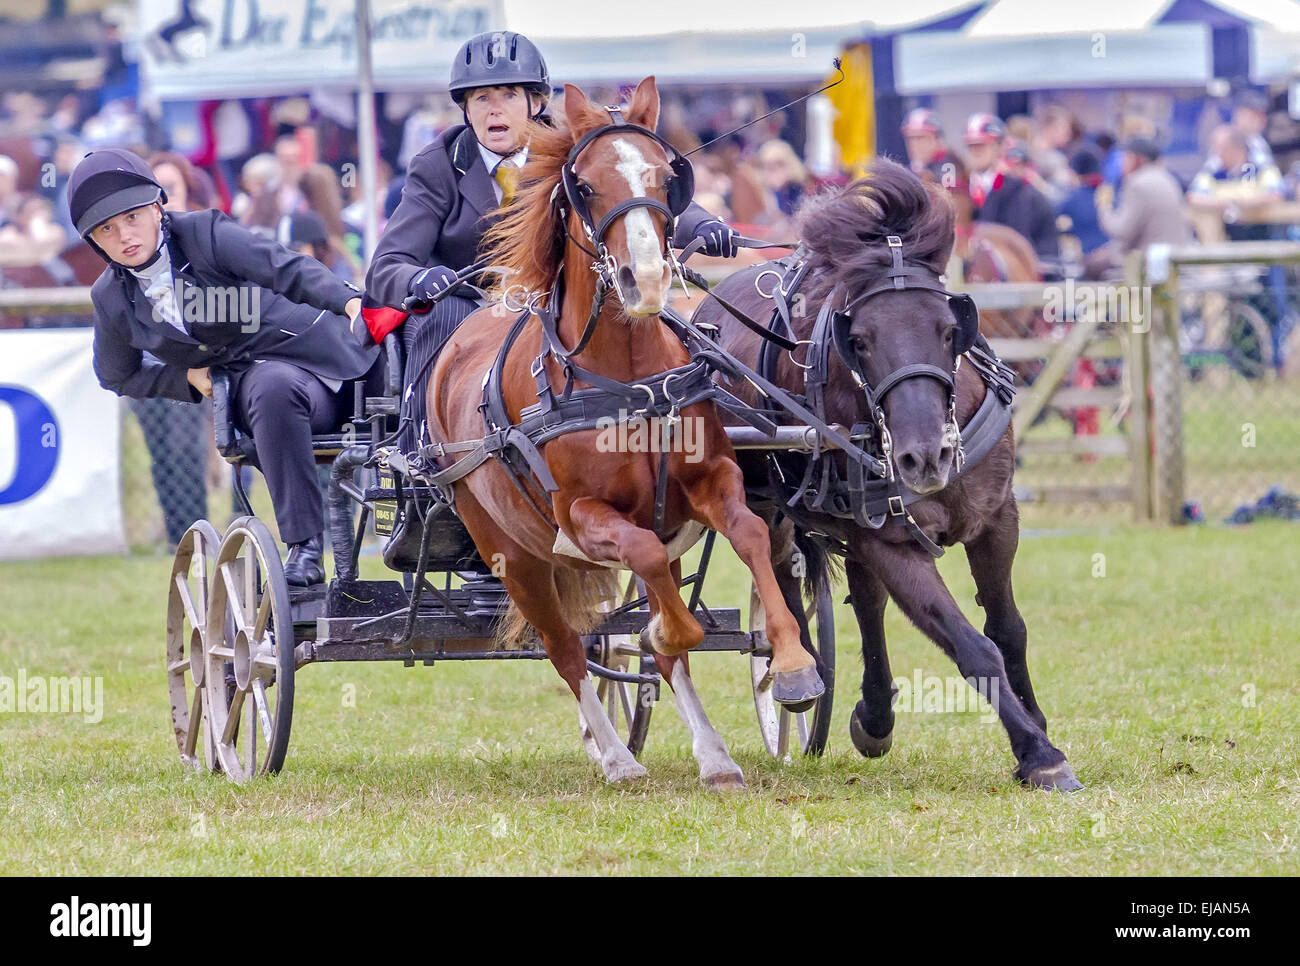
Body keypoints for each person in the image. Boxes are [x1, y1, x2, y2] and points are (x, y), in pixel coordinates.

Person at [364, 29, 740, 451]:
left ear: (536, 102)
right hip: (467, 306)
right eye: (481, 98)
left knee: (654, 321)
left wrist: (701, 224)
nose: (494, 110)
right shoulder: (436, 165)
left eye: (507, 95)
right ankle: (419, 455)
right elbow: (388, 263)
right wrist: (418, 278)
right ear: (465, 109)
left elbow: (632, 184)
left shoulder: (571, 148)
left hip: (549, 301)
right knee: (442, 316)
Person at [70, 148, 381, 584]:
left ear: (158, 207)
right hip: (264, 393)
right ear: (93, 241)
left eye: (133, 217)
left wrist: (349, 302)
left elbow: (286, 268)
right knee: (272, 386)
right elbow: (117, 375)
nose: (125, 235)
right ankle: (305, 551)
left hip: (335, 365)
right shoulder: (110, 298)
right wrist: (185, 379)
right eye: (107, 229)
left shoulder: (206, 232)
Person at [963, 113, 1060, 262]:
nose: (976, 152)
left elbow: (1023, 244)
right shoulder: (962, 189)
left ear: (1000, 147)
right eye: (972, 146)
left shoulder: (1022, 192)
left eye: (983, 145)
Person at [900, 108, 962, 190]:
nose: (914, 144)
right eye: (910, 138)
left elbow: (948, 198)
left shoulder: (949, 166)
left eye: (920, 137)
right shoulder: (908, 170)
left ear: (938, 140)